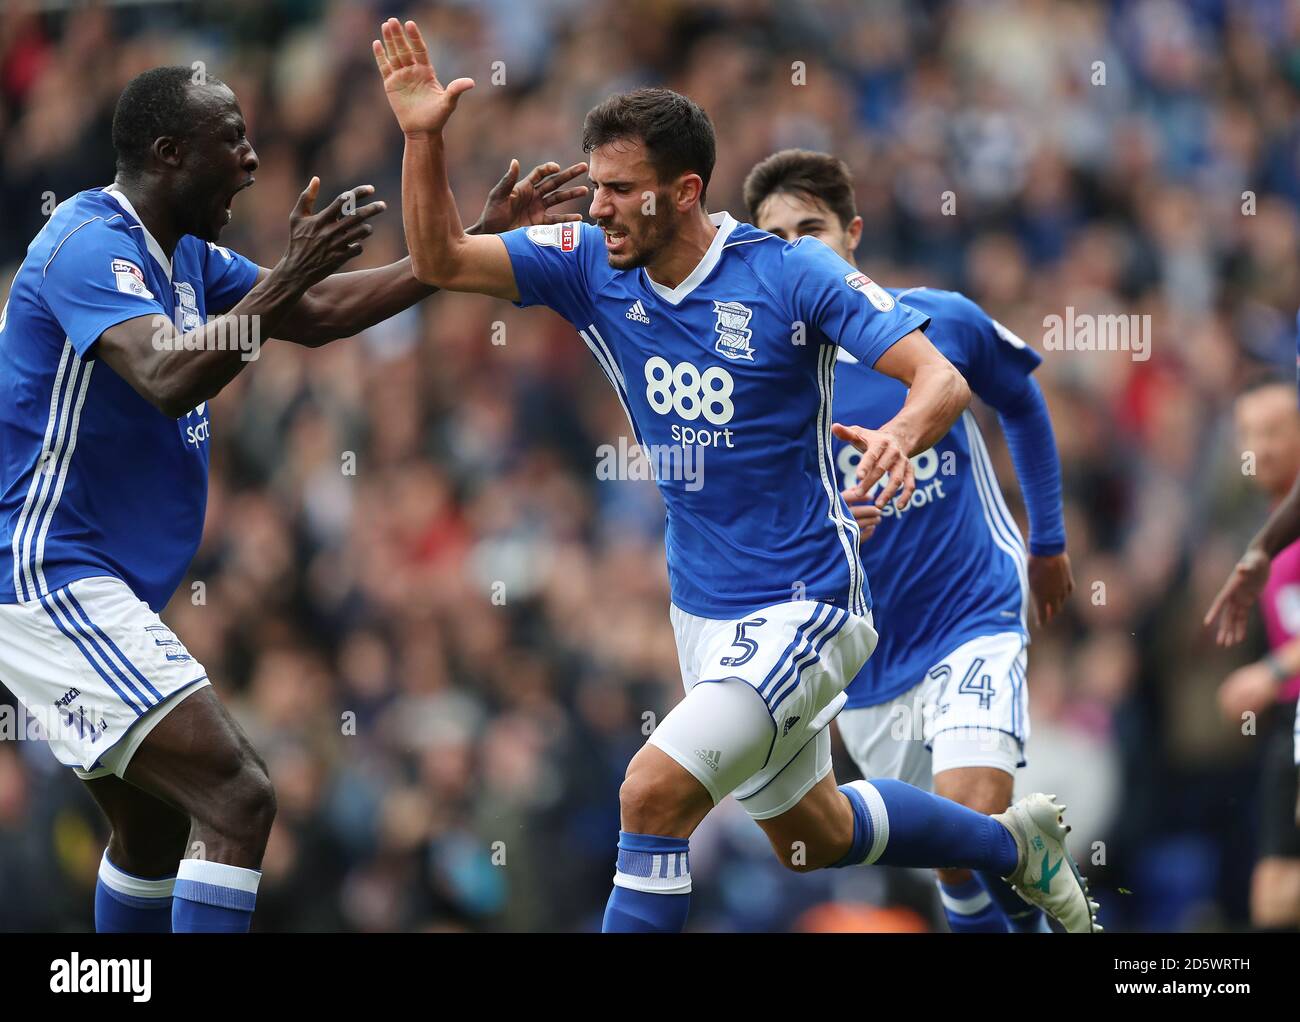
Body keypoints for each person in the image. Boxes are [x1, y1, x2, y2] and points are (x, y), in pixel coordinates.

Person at [371, 17, 1099, 933]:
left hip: (808, 602)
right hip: (703, 613)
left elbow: (942, 376)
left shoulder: (790, 274)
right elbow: (440, 260)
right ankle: (1008, 847)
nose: (595, 207)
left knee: (651, 796)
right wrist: (422, 138)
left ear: (683, 192)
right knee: (813, 836)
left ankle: (998, 856)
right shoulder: (591, 264)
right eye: (594, 186)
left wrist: (900, 436)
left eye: (618, 190)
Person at [0, 64, 585, 932]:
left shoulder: (184, 253)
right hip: (46, 576)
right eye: (229, 141)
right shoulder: (87, 244)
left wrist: (461, 246)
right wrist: (284, 279)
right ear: (168, 154)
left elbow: (318, 312)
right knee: (238, 797)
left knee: (155, 828)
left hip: (94, 583)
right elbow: (167, 375)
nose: (249, 159)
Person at [745, 148, 1074, 933]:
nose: (797, 248)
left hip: (972, 613)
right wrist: (818, 537)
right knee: (959, 856)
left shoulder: (937, 322)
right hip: (867, 655)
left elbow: (1022, 403)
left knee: (972, 807)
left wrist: (1049, 541)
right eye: (775, 237)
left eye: (811, 228)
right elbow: (754, 522)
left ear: (852, 233)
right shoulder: (761, 378)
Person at [1204, 375, 1300, 929]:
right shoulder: (1266, 530)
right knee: (1275, 900)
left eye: (1274, 432)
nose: (1258, 448)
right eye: (1248, 433)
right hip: (1287, 721)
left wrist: (1269, 672)